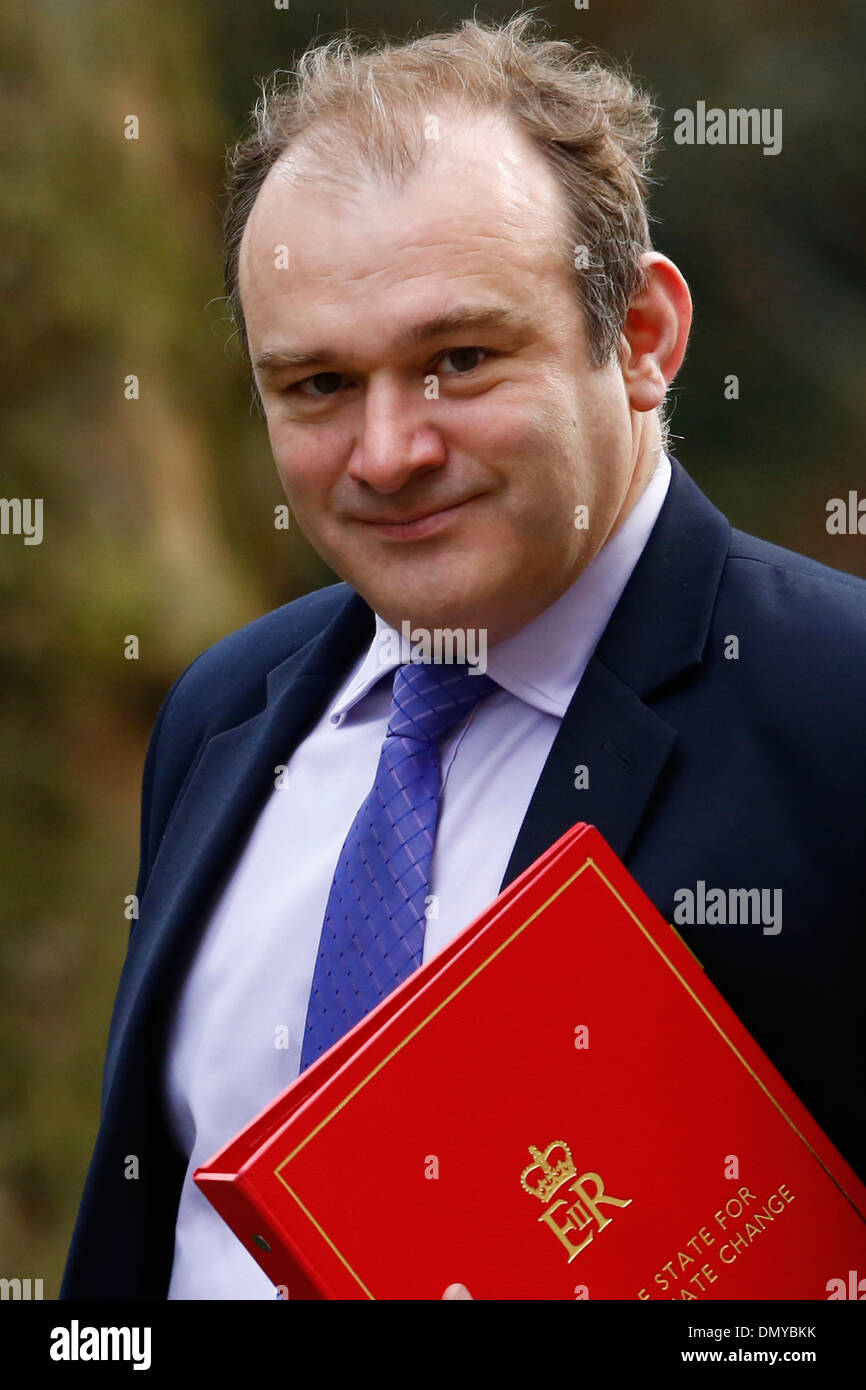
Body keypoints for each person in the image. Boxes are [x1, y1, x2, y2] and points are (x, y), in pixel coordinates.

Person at [61, 14, 866, 1300]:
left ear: (644, 337)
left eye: (458, 360)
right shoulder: (222, 709)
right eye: (318, 385)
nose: (386, 453)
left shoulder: (839, 714)